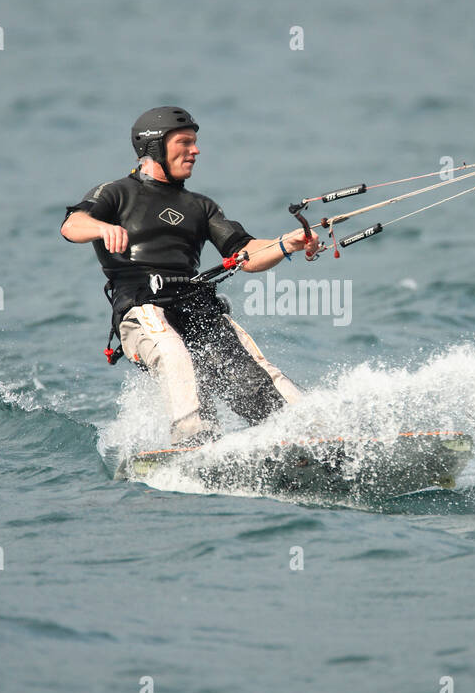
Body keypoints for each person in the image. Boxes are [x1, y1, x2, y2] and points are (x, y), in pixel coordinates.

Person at [61, 106, 320, 445]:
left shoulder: (201, 206)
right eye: (184, 142)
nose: (195, 150)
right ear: (153, 147)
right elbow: (72, 225)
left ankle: (312, 434)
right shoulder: (115, 193)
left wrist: (289, 242)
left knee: (251, 379)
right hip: (142, 310)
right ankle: (192, 443)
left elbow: (244, 253)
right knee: (173, 354)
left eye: (195, 142)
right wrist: (101, 227)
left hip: (194, 307)